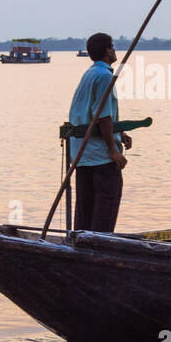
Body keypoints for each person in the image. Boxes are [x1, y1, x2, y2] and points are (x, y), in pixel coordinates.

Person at [67, 32, 129, 232]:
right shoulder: (104, 76)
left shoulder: (91, 73)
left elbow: (90, 114)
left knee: (85, 215)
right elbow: (102, 116)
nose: (114, 50)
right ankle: (96, 251)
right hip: (100, 158)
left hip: (82, 156)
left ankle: (81, 252)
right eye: (112, 46)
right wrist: (113, 150)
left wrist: (120, 134)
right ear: (106, 50)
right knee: (104, 215)